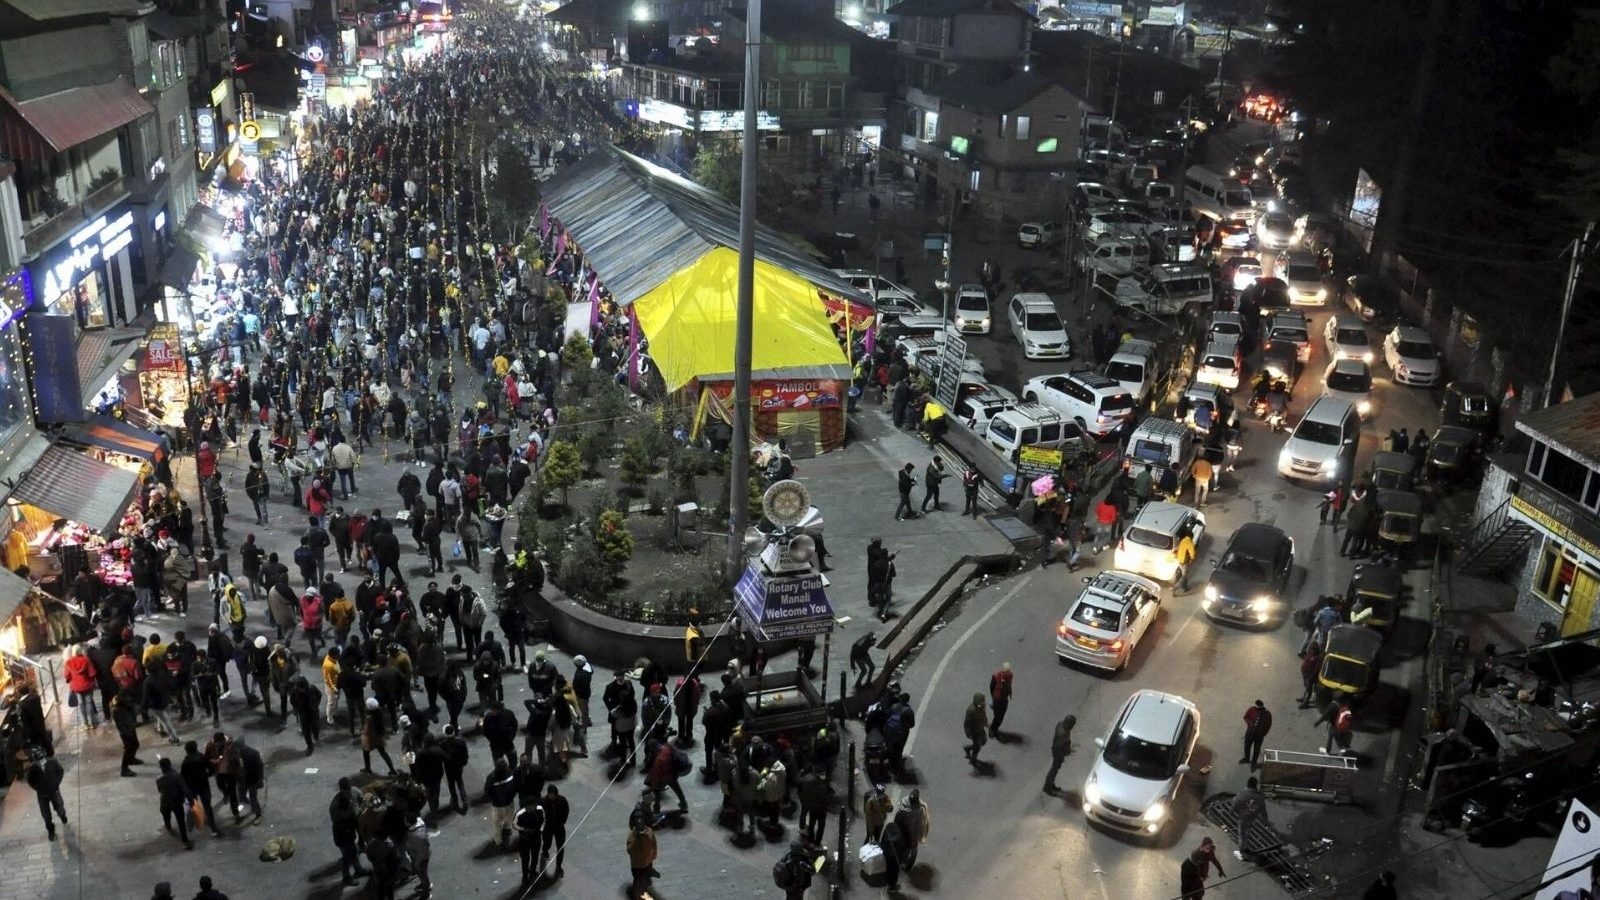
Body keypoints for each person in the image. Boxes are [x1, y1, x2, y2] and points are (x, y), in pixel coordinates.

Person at [329, 777, 370, 886]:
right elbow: (342, 819)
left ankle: (358, 869)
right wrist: (352, 814)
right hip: (342, 834)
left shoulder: (352, 793)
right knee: (347, 856)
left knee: (354, 851)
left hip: (349, 831)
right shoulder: (336, 807)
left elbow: (359, 803)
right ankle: (346, 877)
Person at [23, 748, 67, 840]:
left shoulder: (52, 762)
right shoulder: (33, 768)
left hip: (54, 791)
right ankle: (50, 829)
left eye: (42, 760)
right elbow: (30, 781)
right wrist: (38, 788)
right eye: (38, 761)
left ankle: (62, 815)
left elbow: (60, 771)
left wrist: (56, 782)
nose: (41, 763)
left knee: (59, 807)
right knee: (46, 815)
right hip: (42, 794)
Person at [155, 757, 194, 849]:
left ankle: (168, 826)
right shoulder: (177, 776)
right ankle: (184, 841)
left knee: (166, 815)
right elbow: (185, 790)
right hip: (176, 801)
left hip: (164, 801)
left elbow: (160, 790)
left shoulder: (159, 778)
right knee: (181, 822)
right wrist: (191, 801)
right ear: (170, 764)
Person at [1231, 776, 1267, 860]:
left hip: (1243, 817)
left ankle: (1242, 852)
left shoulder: (1242, 793)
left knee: (1242, 834)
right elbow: (1263, 809)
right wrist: (1265, 820)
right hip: (1252, 817)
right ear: (1255, 785)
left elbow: (1236, 803)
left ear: (1247, 784)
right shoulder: (1260, 796)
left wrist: (1232, 812)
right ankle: (1246, 845)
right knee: (1247, 830)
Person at [514, 794, 545, 884]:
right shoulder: (520, 813)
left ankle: (533, 870)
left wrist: (541, 830)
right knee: (525, 859)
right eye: (529, 807)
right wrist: (524, 829)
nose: (531, 809)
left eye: (533, 806)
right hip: (525, 839)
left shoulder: (539, 810)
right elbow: (514, 824)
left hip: (536, 837)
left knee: (535, 856)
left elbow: (544, 820)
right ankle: (525, 876)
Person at [1042, 713, 1077, 793]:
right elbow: (1061, 745)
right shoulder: (1063, 733)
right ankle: (1047, 787)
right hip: (1058, 753)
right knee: (1054, 769)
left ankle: (1051, 784)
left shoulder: (1060, 724)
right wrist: (1066, 752)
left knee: (1055, 769)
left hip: (1058, 751)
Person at [626, 815, 659, 898]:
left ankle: (644, 886)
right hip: (638, 865)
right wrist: (638, 839)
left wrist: (654, 854)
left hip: (647, 861)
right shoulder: (633, 837)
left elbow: (654, 843)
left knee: (645, 878)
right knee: (638, 881)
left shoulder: (649, 832)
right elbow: (630, 850)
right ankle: (637, 894)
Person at [1241, 699, 1272, 768]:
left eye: (1261, 708)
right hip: (1250, 733)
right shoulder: (1252, 709)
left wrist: (1264, 733)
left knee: (1257, 749)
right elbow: (1245, 717)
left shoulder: (1267, 714)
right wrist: (1250, 723)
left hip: (1259, 735)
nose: (1260, 710)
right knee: (1247, 745)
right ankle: (1246, 758)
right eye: (1258, 708)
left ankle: (1254, 763)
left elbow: (1268, 725)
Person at [962, 692, 989, 766]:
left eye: (983, 702)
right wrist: (968, 734)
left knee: (983, 741)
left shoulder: (981, 707)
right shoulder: (971, 711)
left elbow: (983, 715)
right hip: (974, 731)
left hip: (980, 728)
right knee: (977, 747)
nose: (983, 703)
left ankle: (968, 748)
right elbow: (966, 723)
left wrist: (986, 723)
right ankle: (973, 760)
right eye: (981, 702)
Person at [988, 662, 1014, 737]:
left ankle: (995, 726)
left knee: (1001, 715)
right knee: (997, 715)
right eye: (1006, 672)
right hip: (997, 699)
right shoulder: (996, 676)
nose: (1008, 673)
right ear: (1003, 671)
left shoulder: (1010, 675)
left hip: (1004, 698)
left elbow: (1009, 684)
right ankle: (992, 729)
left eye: (1009, 671)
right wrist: (994, 697)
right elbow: (991, 687)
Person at [1298, 644, 1323, 708]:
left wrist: (1311, 676)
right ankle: (1304, 698)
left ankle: (1306, 703)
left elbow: (1316, 669)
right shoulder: (1309, 654)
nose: (1311, 650)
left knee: (1309, 689)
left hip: (1310, 676)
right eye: (1310, 649)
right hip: (1305, 674)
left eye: (1312, 649)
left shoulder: (1317, 658)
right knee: (1306, 687)